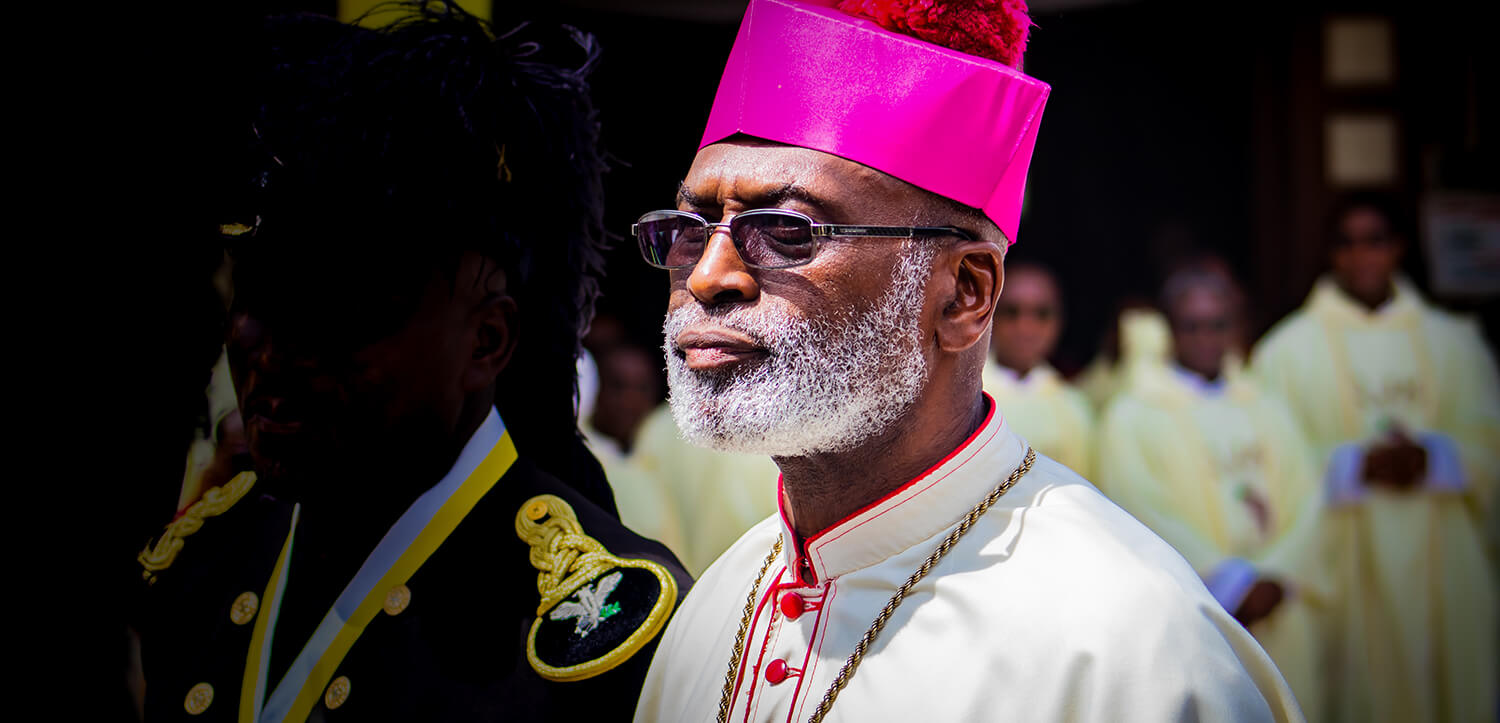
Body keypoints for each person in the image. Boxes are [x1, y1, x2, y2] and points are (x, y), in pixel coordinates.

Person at [632, 1, 1302, 721]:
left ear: (964, 295)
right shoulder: (712, 609)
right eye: (690, 229)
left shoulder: (1129, 646)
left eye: (786, 230)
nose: (708, 276)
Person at [130, 4, 690, 721]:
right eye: (255, 294)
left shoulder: (595, 636)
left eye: (336, 308)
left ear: (486, 342)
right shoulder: (200, 563)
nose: (263, 344)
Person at [1252, 193, 1499, 723]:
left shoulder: (1454, 342)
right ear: (1330, 253)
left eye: (1376, 241)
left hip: (1445, 552)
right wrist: (1349, 467)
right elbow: (1272, 463)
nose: (1362, 255)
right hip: (1347, 560)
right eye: (1347, 243)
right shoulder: (1287, 350)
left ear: (1399, 248)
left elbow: (1491, 439)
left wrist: (1437, 459)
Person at [1099, 266, 1327, 719]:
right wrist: (1232, 584)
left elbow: (1311, 499)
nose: (1206, 337)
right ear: (1170, 330)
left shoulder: (1267, 405)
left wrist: (1276, 574)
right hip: (1197, 611)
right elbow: (1139, 505)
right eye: (1192, 325)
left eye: (1218, 324)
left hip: (1279, 606)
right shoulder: (1132, 414)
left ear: (1236, 327)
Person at [981, 261, 1095, 476]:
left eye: (1041, 313)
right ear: (988, 314)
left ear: (1059, 321)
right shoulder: (965, 399)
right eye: (1011, 311)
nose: (1025, 327)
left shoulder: (1074, 406)